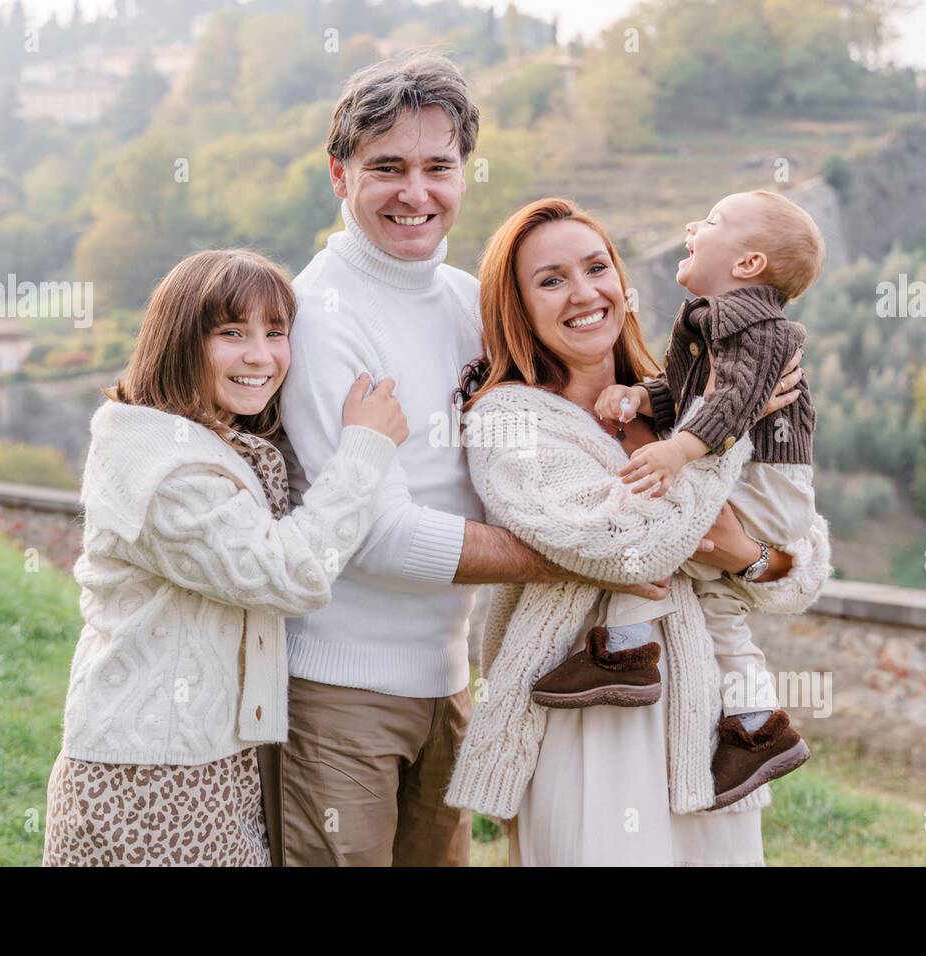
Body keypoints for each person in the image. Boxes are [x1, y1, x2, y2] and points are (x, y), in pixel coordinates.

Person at [265, 52, 804, 866]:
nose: (417, 193)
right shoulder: (322, 319)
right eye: (387, 169)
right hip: (346, 685)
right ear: (339, 175)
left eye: (438, 167)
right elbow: (372, 534)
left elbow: (780, 554)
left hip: (449, 680)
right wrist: (594, 556)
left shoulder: (463, 308)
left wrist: (748, 551)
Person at [443, 198, 833, 865]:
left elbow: (803, 569)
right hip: (589, 727)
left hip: (711, 732)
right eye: (551, 279)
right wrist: (725, 434)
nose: (584, 292)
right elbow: (629, 547)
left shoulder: (678, 399)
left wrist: (750, 555)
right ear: (517, 306)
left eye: (596, 267)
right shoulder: (509, 421)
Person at [42, 249, 406, 866]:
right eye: (231, 333)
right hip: (151, 772)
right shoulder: (160, 463)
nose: (259, 355)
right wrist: (364, 452)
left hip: (210, 756)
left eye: (275, 332)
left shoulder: (217, 439)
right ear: (179, 341)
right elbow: (286, 575)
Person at [541, 190, 828, 809]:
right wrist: (643, 399)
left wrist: (678, 451)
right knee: (720, 607)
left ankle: (626, 650)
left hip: (767, 489)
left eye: (713, 222)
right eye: (552, 280)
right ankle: (757, 726)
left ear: (748, 264)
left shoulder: (756, 325)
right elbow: (685, 390)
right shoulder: (707, 318)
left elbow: (734, 400)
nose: (694, 227)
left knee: (652, 523)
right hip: (757, 493)